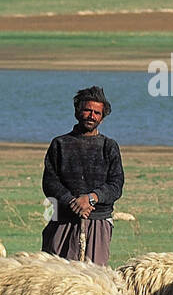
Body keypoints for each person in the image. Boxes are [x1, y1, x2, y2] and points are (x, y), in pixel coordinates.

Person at [41, 86, 123, 265]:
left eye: (97, 113)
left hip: (98, 221)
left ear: (102, 118)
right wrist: (73, 202)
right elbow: (50, 182)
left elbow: (116, 185)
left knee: (93, 281)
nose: (91, 115)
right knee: (55, 276)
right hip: (62, 219)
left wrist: (91, 198)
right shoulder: (60, 144)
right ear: (78, 111)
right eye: (87, 110)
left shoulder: (109, 146)